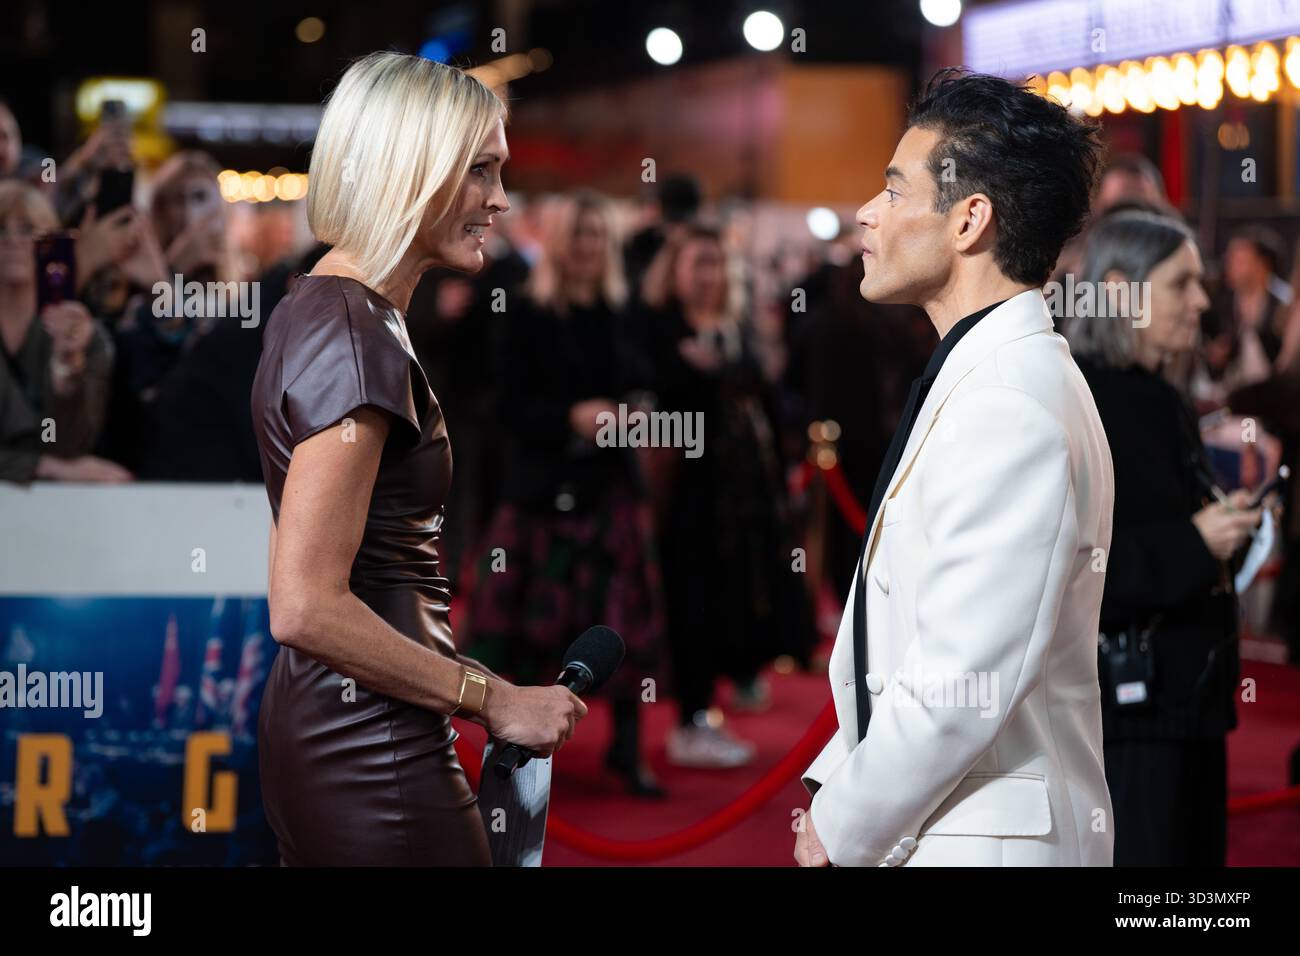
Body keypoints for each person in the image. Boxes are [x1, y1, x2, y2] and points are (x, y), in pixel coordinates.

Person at [249, 51, 585, 866]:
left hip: (352, 733)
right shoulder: (354, 332)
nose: (499, 200)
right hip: (369, 752)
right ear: (410, 168)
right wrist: (494, 697)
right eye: (478, 170)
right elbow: (303, 604)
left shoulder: (332, 307)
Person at [795, 69, 1113, 867]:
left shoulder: (1008, 398)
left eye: (895, 191)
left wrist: (842, 823)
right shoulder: (991, 374)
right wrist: (841, 784)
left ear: (970, 219)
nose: (868, 213)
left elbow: (959, 679)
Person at [1067, 210, 1262, 865]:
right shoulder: (1089, 399)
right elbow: (1077, 567)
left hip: (1182, 699)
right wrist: (1196, 540)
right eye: (1182, 284)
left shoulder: (1159, 396)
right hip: (1132, 710)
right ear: (1120, 290)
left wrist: (1222, 525)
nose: (1202, 301)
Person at [467, 190, 667, 796]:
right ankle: (519, 743)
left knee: (620, 624)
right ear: (558, 242)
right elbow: (502, 405)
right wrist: (570, 418)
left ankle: (626, 749)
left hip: (608, 489)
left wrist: (635, 411)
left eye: (596, 236)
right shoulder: (524, 310)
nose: (588, 247)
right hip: (539, 493)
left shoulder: (621, 309)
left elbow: (644, 382)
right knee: (529, 627)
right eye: (578, 235)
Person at [640, 222, 812, 768]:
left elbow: (765, 394)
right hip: (682, 495)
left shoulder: (737, 326)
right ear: (675, 270)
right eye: (699, 264)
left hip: (743, 495)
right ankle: (690, 718)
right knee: (686, 603)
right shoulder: (655, 328)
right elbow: (647, 414)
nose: (710, 275)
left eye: (717, 263)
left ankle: (726, 688)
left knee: (735, 597)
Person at [0, 181, 128, 483]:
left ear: (51, 245)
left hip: (62, 511)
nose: (13, 240)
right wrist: (45, 467)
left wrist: (68, 367)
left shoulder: (87, 337)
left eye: (28, 229)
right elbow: (68, 463)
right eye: (1, 229)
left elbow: (70, 444)